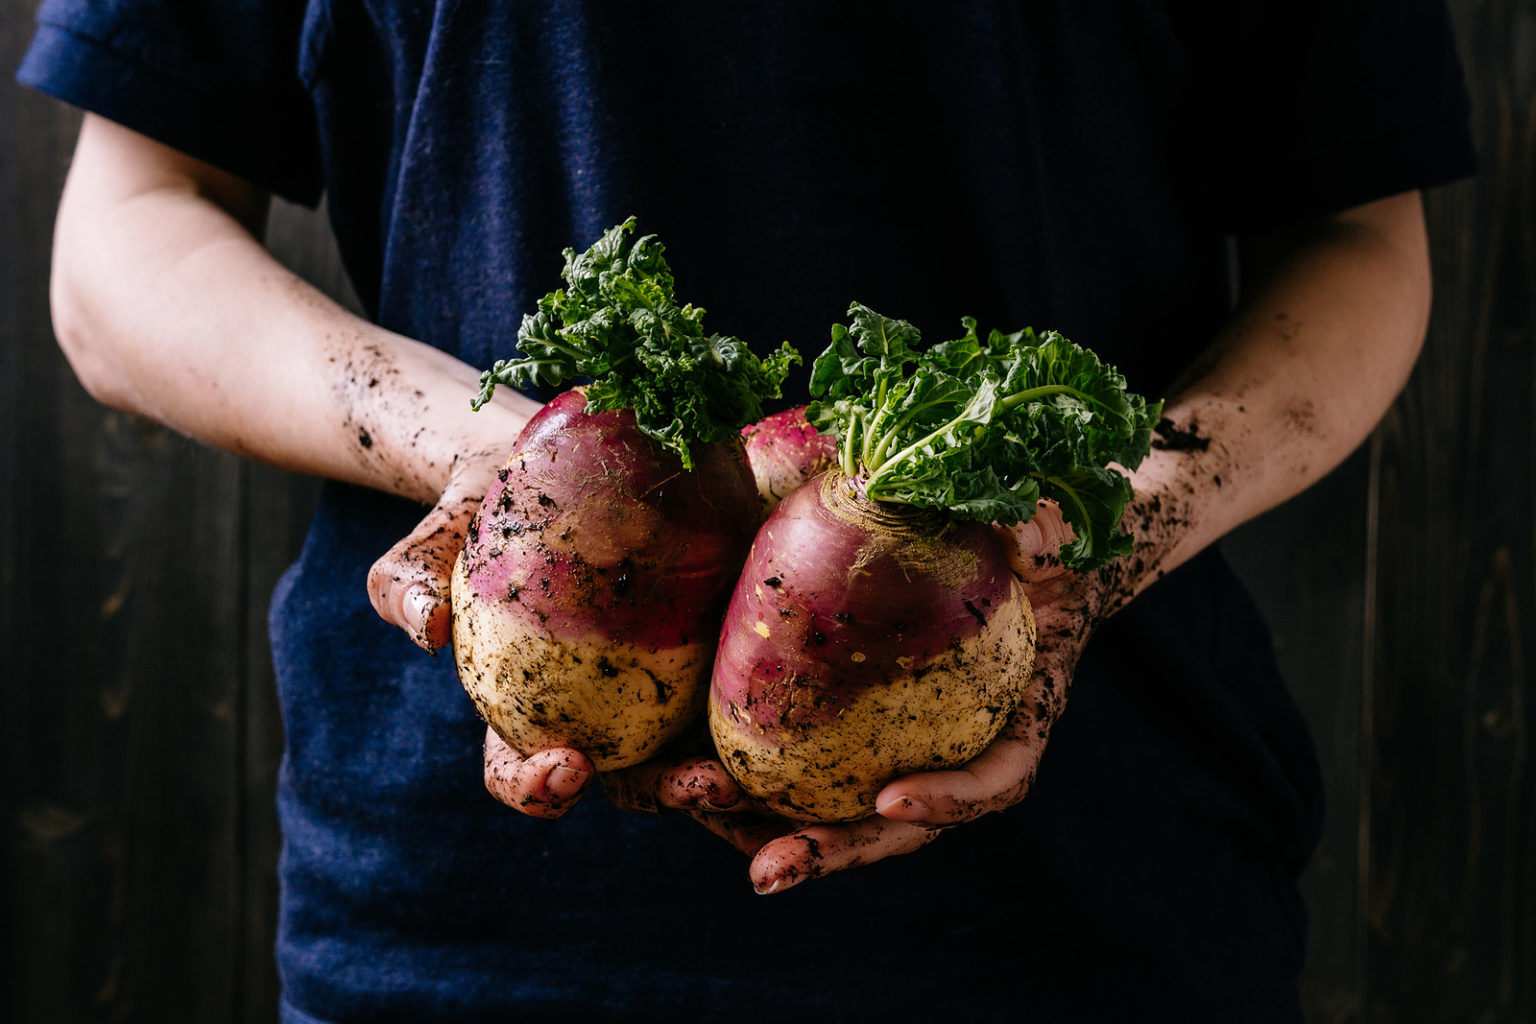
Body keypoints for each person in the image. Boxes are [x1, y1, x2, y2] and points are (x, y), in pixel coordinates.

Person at [18, 2, 1475, 1020]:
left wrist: (1105, 531)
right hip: (464, 925)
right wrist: (496, 451)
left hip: (1101, 905)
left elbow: (1353, 233)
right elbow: (122, 241)